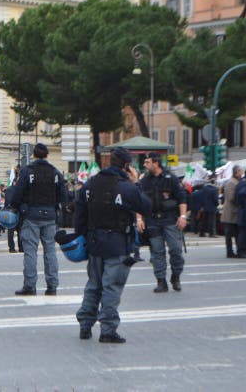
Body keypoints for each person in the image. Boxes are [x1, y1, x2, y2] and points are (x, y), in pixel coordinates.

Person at [75, 147, 151, 344]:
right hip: (117, 243)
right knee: (112, 287)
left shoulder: (91, 183)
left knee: (93, 285)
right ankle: (107, 329)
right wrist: (137, 182)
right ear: (127, 166)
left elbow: (79, 212)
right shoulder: (126, 187)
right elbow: (145, 206)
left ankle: (85, 324)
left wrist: (82, 236)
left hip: (94, 241)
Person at [7, 143, 67, 295]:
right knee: (50, 251)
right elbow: (64, 196)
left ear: (33, 155)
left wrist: (17, 207)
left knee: (30, 252)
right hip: (50, 216)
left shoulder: (27, 171)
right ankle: (52, 286)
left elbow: (17, 194)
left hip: (31, 215)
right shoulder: (55, 172)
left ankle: (30, 285)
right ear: (47, 155)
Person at [140, 152, 188, 293]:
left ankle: (176, 276)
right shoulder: (145, 181)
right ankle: (161, 281)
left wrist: (183, 216)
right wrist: (139, 219)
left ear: (156, 163)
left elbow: (181, 198)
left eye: (147, 162)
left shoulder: (171, 179)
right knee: (157, 252)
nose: (145, 164)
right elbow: (139, 200)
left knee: (176, 250)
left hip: (170, 219)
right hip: (153, 220)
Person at [221, 166, 243, 258]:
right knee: (229, 234)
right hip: (230, 212)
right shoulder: (231, 183)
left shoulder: (237, 182)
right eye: (241, 172)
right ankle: (229, 252)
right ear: (236, 172)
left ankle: (239, 250)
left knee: (237, 233)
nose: (242, 174)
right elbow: (231, 197)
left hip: (235, 212)